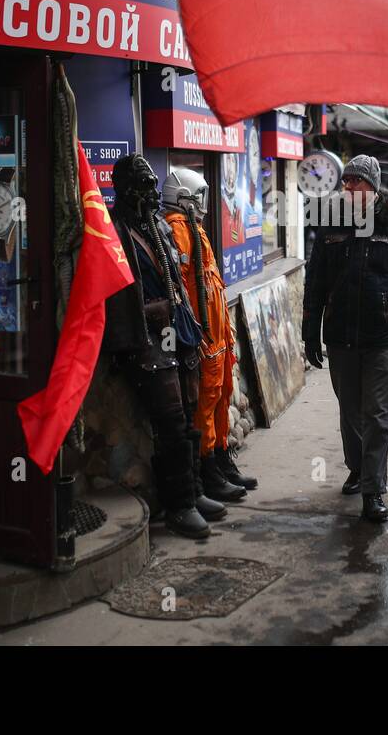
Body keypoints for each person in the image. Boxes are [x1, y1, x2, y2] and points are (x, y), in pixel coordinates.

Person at [303, 155, 388, 524]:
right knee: (350, 410)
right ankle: (357, 468)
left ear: (373, 188)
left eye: (356, 182)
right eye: (345, 182)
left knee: (376, 413)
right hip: (340, 335)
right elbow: (315, 281)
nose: (349, 188)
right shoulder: (331, 225)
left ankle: (373, 491)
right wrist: (310, 331)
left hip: (382, 337)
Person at [104, 154, 221, 539]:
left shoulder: (156, 224)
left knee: (187, 417)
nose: (151, 191)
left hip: (178, 329)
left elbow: (175, 275)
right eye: (142, 183)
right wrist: (151, 314)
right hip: (146, 336)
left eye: (153, 183)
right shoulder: (116, 229)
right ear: (124, 188)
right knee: (170, 422)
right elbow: (115, 291)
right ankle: (179, 506)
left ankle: (194, 491)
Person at [162, 167, 256, 502]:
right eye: (198, 196)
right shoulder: (177, 230)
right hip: (204, 338)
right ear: (183, 197)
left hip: (217, 337)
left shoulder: (194, 229)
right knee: (204, 404)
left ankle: (220, 462)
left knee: (218, 397)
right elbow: (183, 289)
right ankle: (208, 471)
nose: (203, 203)